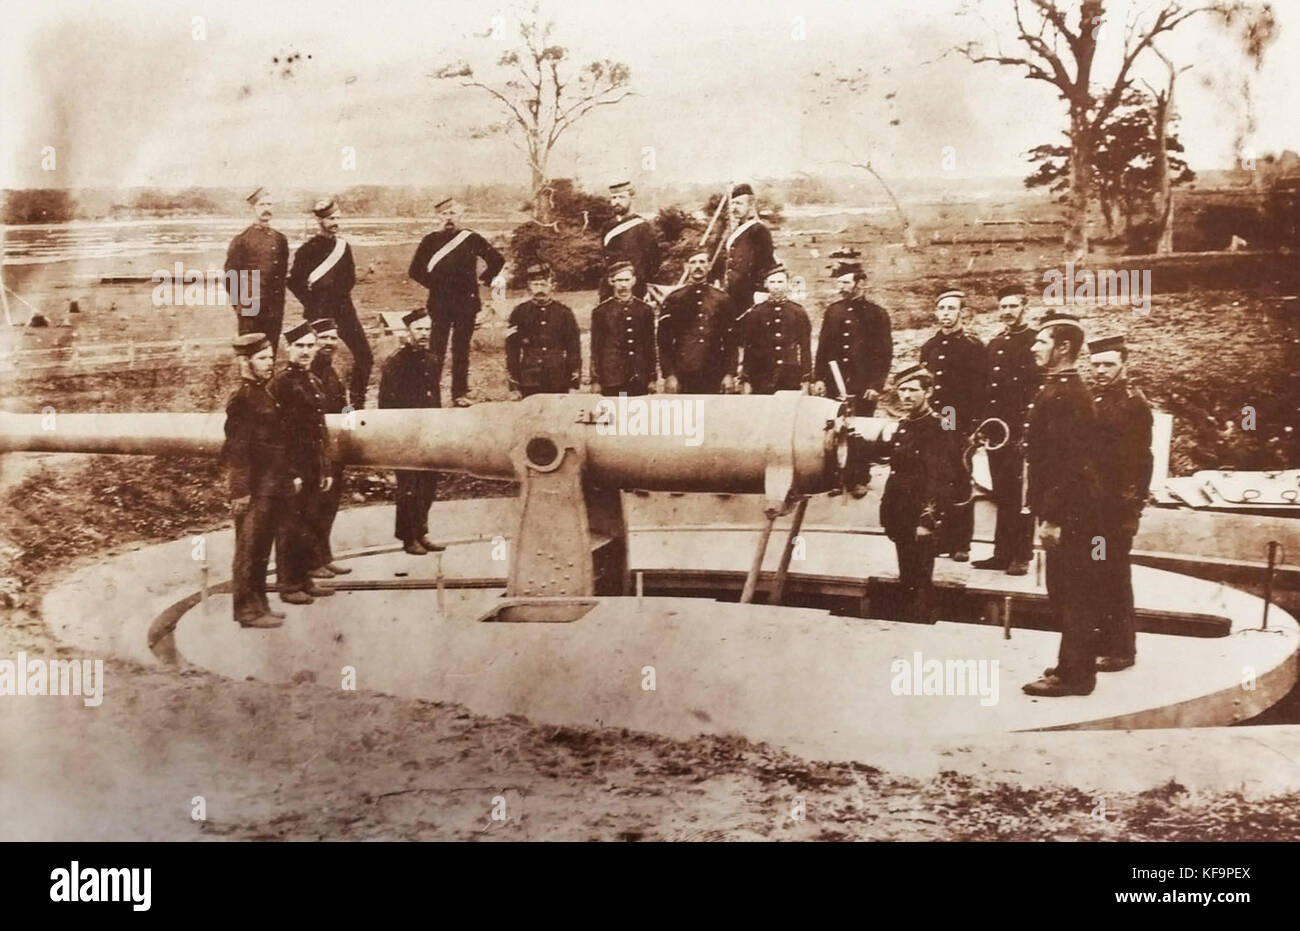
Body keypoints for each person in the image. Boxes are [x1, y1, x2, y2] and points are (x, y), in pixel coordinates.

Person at [1021, 313, 1104, 697]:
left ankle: (1076, 677)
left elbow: (1069, 463)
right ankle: (1072, 664)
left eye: (1042, 341)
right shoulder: (1057, 388)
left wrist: (1052, 517)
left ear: (1063, 347)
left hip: (1070, 512)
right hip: (1063, 507)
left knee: (1073, 592)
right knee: (1064, 591)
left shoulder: (1068, 394)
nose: (1035, 347)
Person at [1088, 334, 1153, 673]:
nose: (1101, 370)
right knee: (1097, 571)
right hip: (1093, 505)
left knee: (1114, 574)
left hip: (1116, 507)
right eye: (1096, 364)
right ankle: (1103, 638)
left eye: (1108, 364)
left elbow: (1141, 462)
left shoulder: (1133, 403)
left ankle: (1122, 649)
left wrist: (1131, 511)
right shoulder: (1093, 396)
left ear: (1123, 365)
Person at [879, 364, 962, 622]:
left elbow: (942, 478)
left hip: (920, 513)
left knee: (921, 577)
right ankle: (908, 621)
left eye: (913, 390)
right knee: (907, 572)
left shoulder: (938, 427)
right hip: (899, 511)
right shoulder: (905, 424)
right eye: (902, 390)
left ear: (928, 392)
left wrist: (928, 519)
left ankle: (920, 623)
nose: (906, 395)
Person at [407, 196, 505, 407]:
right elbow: (415, 270)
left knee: (461, 350)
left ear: (461, 215)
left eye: (453, 213)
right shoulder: (430, 240)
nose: (449, 218)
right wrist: (436, 285)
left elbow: (497, 260)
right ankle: (430, 396)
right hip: (439, 304)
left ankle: (459, 394)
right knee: (435, 352)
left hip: (466, 304)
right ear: (437, 217)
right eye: (444, 214)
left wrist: (484, 280)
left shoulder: (471, 238)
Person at [221, 332, 289, 628]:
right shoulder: (243, 400)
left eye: (271, 357)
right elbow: (236, 449)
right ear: (245, 362)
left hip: (271, 485)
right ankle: (246, 611)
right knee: (248, 549)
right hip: (253, 489)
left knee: (262, 548)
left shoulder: (265, 393)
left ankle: (260, 604)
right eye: (262, 358)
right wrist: (239, 492)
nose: (269, 363)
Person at [972, 284, 1038, 576]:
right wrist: (983, 426)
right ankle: (1001, 553)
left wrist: (1030, 430)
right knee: (1001, 492)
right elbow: (987, 390)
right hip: (998, 432)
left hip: (1022, 431)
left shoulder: (1035, 342)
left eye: (1013, 306)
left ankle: (1022, 555)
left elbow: (1038, 391)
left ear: (1025, 307)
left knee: (1022, 494)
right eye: (1003, 307)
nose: (1008, 312)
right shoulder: (995, 344)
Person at [269, 322, 336, 605]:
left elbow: (320, 430)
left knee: (307, 522)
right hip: (292, 467)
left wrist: (326, 467)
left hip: (312, 464)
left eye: (311, 345)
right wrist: (290, 473)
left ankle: (304, 579)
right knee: (289, 525)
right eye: (301, 346)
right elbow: (277, 435)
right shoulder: (281, 384)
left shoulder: (313, 381)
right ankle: (287, 583)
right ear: (288, 349)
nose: (307, 351)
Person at [813, 261, 892, 496]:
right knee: (835, 430)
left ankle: (859, 478)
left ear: (860, 284)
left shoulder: (877, 314)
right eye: (839, 283)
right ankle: (836, 479)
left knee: (861, 430)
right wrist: (819, 379)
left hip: (863, 385)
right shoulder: (833, 311)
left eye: (846, 283)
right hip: (835, 382)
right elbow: (823, 349)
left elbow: (884, 353)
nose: (841, 288)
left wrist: (876, 385)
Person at [920, 287, 986, 561]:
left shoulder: (972, 346)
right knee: (934, 478)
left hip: (959, 422)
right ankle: (941, 539)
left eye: (951, 309)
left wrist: (974, 427)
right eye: (942, 309)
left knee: (959, 479)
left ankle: (962, 544)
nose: (946, 314)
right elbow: (922, 386)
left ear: (962, 313)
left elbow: (981, 389)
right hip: (934, 421)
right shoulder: (930, 347)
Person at [288, 198, 374, 409]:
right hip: (320, 313)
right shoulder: (307, 250)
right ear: (320, 221)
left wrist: (338, 294)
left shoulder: (344, 246)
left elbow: (349, 279)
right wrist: (313, 303)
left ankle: (356, 404)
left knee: (365, 356)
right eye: (331, 219)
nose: (336, 222)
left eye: (337, 218)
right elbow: (294, 282)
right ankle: (315, 405)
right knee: (318, 361)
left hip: (345, 311)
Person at [378, 309, 446, 555]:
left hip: (429, 431)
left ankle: (421, 531)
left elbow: (434, 396)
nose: (424, 334)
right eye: (419, 329)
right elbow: (386, 402)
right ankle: (408, 538)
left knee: (428, 483)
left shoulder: (432, 359)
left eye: (427, 329)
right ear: (408, 332)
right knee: (409, 486)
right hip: (405, 435)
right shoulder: (396, 362)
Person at [307, 317, 352, 579]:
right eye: (323, 338)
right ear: (314, 341)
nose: (329, 343)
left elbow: (342, 403)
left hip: (334, 451)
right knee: (313, 508)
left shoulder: (333, 370)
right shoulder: (309, 372)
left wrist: (352, 415)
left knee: (328, 507)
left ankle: (324, 556)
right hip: (316, 452)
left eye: (333, 338)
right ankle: (312, 562)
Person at [657, 250, 734, 394]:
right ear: (687, 266)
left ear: (709, 266)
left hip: (714, 371)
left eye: (702, 262)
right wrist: (669, 374)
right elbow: (664, 341)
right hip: (683, 371)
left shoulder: (722, 299)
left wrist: (729, 373)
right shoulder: (674, 299)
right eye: (693, 262)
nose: (698, 266)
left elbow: (730, 341)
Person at [224, 187, 289, 347]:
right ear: (252, 209)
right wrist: (242, 305)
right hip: (250, 310)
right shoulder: (242, 240)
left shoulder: (280, 239)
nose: (266, 209)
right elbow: (230, 278)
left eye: (269, 204)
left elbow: (281, 275)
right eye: (262, 205)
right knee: (250, 355)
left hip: (274, 309)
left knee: (270, 354)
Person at [505, 262, 582, 397]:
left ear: (552, 286)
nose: (539, 289)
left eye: (544, 284)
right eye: (535, 285)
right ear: (529, 286)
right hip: (529, 378)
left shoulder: (564, 313)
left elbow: (574, 349)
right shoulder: (519, 312)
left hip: (558, 377)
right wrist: (514, 385)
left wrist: (573, 383)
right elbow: (512, 350)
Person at [736, 264, 811, 395]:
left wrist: (806, 379)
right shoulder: (756, 313)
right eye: (772, 282)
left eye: (781, 282)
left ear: (787, 284)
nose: (777, 286)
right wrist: (746, 378)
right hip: (761, 376)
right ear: (766, 284)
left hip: (789, 376)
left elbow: (805, 348)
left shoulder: (798, 312)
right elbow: (750, 348)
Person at [589, 262, 657, 397]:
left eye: (627, 280)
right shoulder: (601, 311)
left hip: (638, 376)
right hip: (612, 377)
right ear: (611, 281)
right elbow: (596, 348)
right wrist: (596, 380)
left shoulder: (645, 310)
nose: (623, 284)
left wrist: (652, 378)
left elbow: (650, 346)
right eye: (619, 280)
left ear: (634, 281)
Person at [710, 182, 775, 325]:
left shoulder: (759, 231)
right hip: (732, 295)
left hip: (751, 296)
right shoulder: (736, 231)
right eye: (732, 204)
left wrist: (762, 292)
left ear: (750, 205)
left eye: (739, 203)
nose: (734, 208)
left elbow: (767, 263)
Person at [598, 181, 660, 301]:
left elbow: (654, 262)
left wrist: (646, 286)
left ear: (632, 198)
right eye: (613, 198)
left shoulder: (643, 226)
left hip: (636, 289)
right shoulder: (607, 227)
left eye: (621, 197)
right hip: (610, 288)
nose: (616, 201)